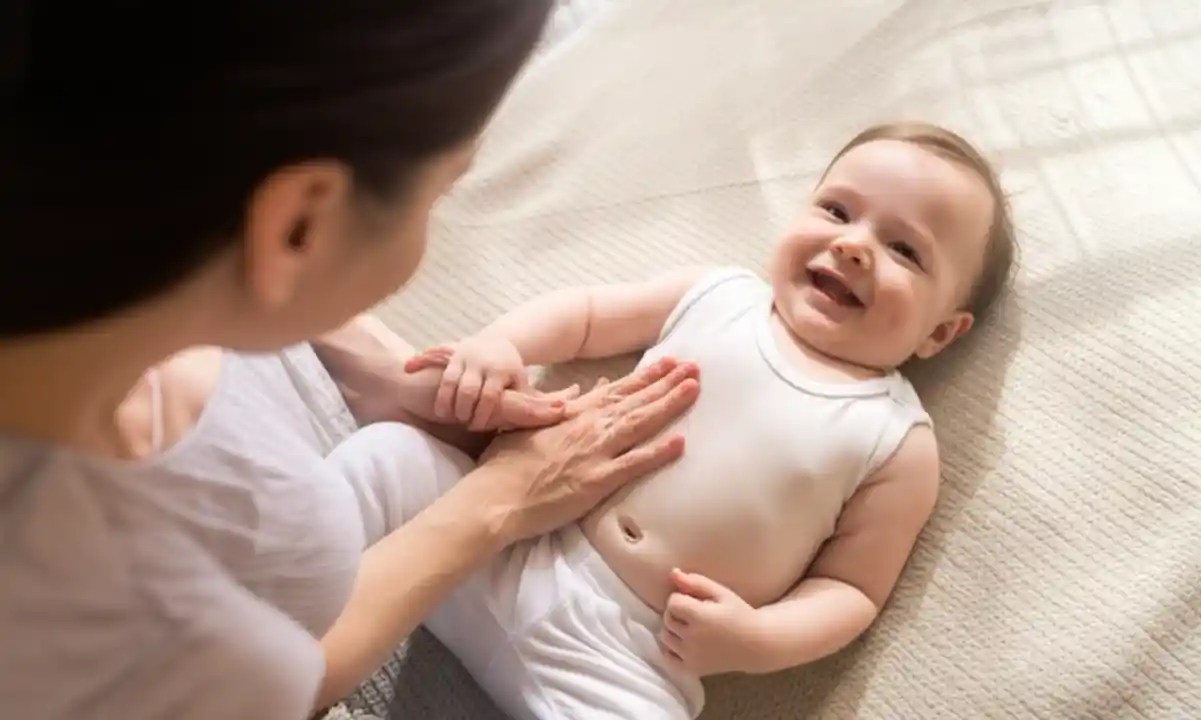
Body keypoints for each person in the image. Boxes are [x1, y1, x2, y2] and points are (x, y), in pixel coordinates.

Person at [0, 2, 701, 718]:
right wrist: (503, 499)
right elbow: (296, 681)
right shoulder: (143, 631)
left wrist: (376, 366)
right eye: (442, 191)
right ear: (300, 223)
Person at [332, 122, 1016, 719]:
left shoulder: (895, 441)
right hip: (507, 544)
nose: (854, 246)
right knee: (388, 458)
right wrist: (502, 346)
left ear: (941, 334)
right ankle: (275, 597)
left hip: (626, 652)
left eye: (905, 251)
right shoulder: (720, 296)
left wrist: (756, 640)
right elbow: (587, 316)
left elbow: (851, 590)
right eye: (837, 210)